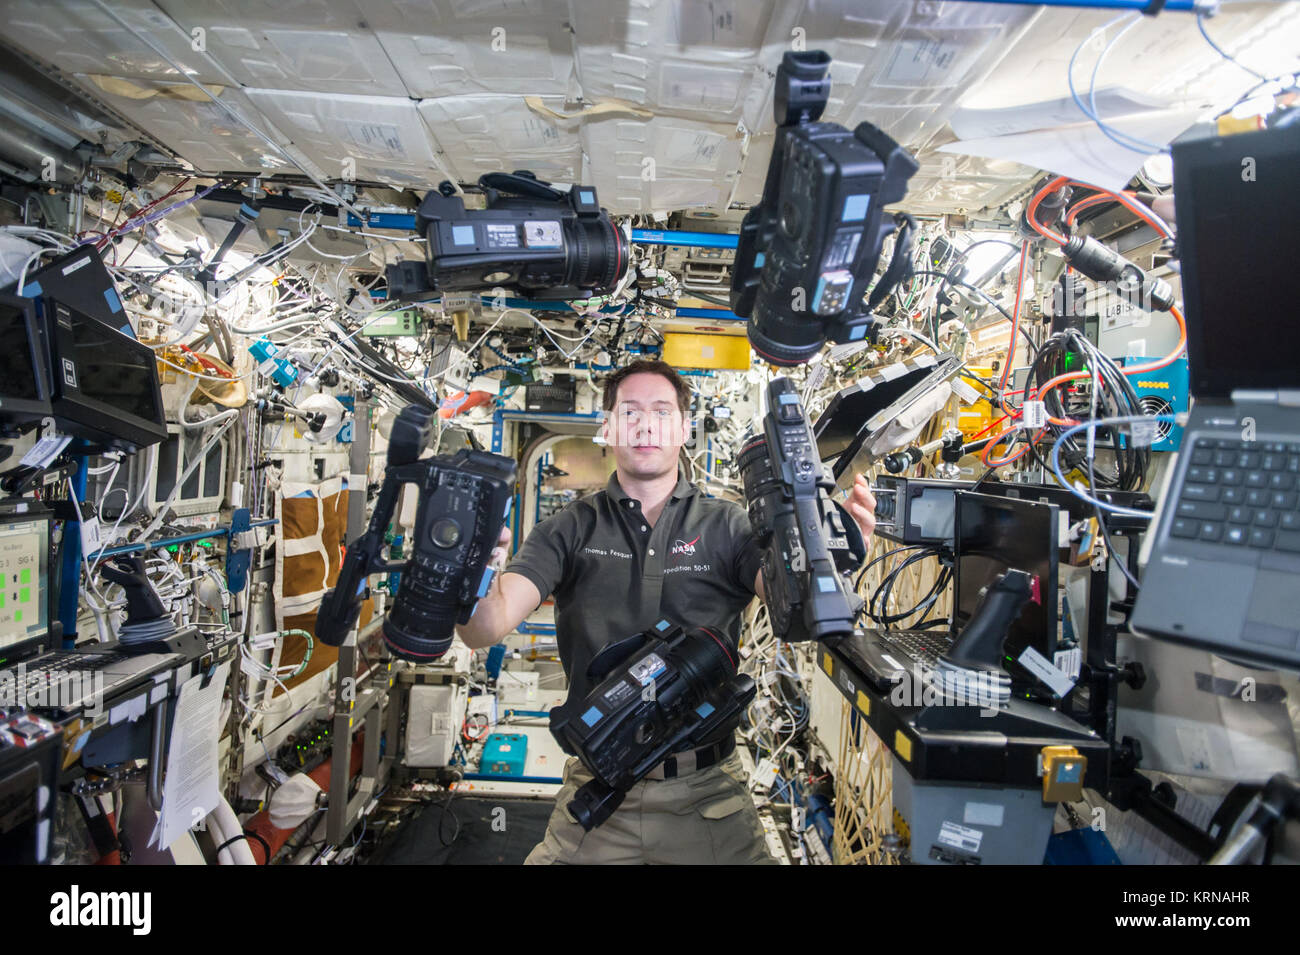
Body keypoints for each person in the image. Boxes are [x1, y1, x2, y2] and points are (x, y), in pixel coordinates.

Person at [455, 359, 876, 864]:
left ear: (683, 428)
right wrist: (465, 569)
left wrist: (831, 557)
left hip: (709, 798)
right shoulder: (569, 528)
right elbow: (485, 627)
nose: (646, 423)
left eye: (662, 410)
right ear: (607, 428)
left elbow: (799, 615)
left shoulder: (729, 525)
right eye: (629, 411)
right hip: (598, 794)